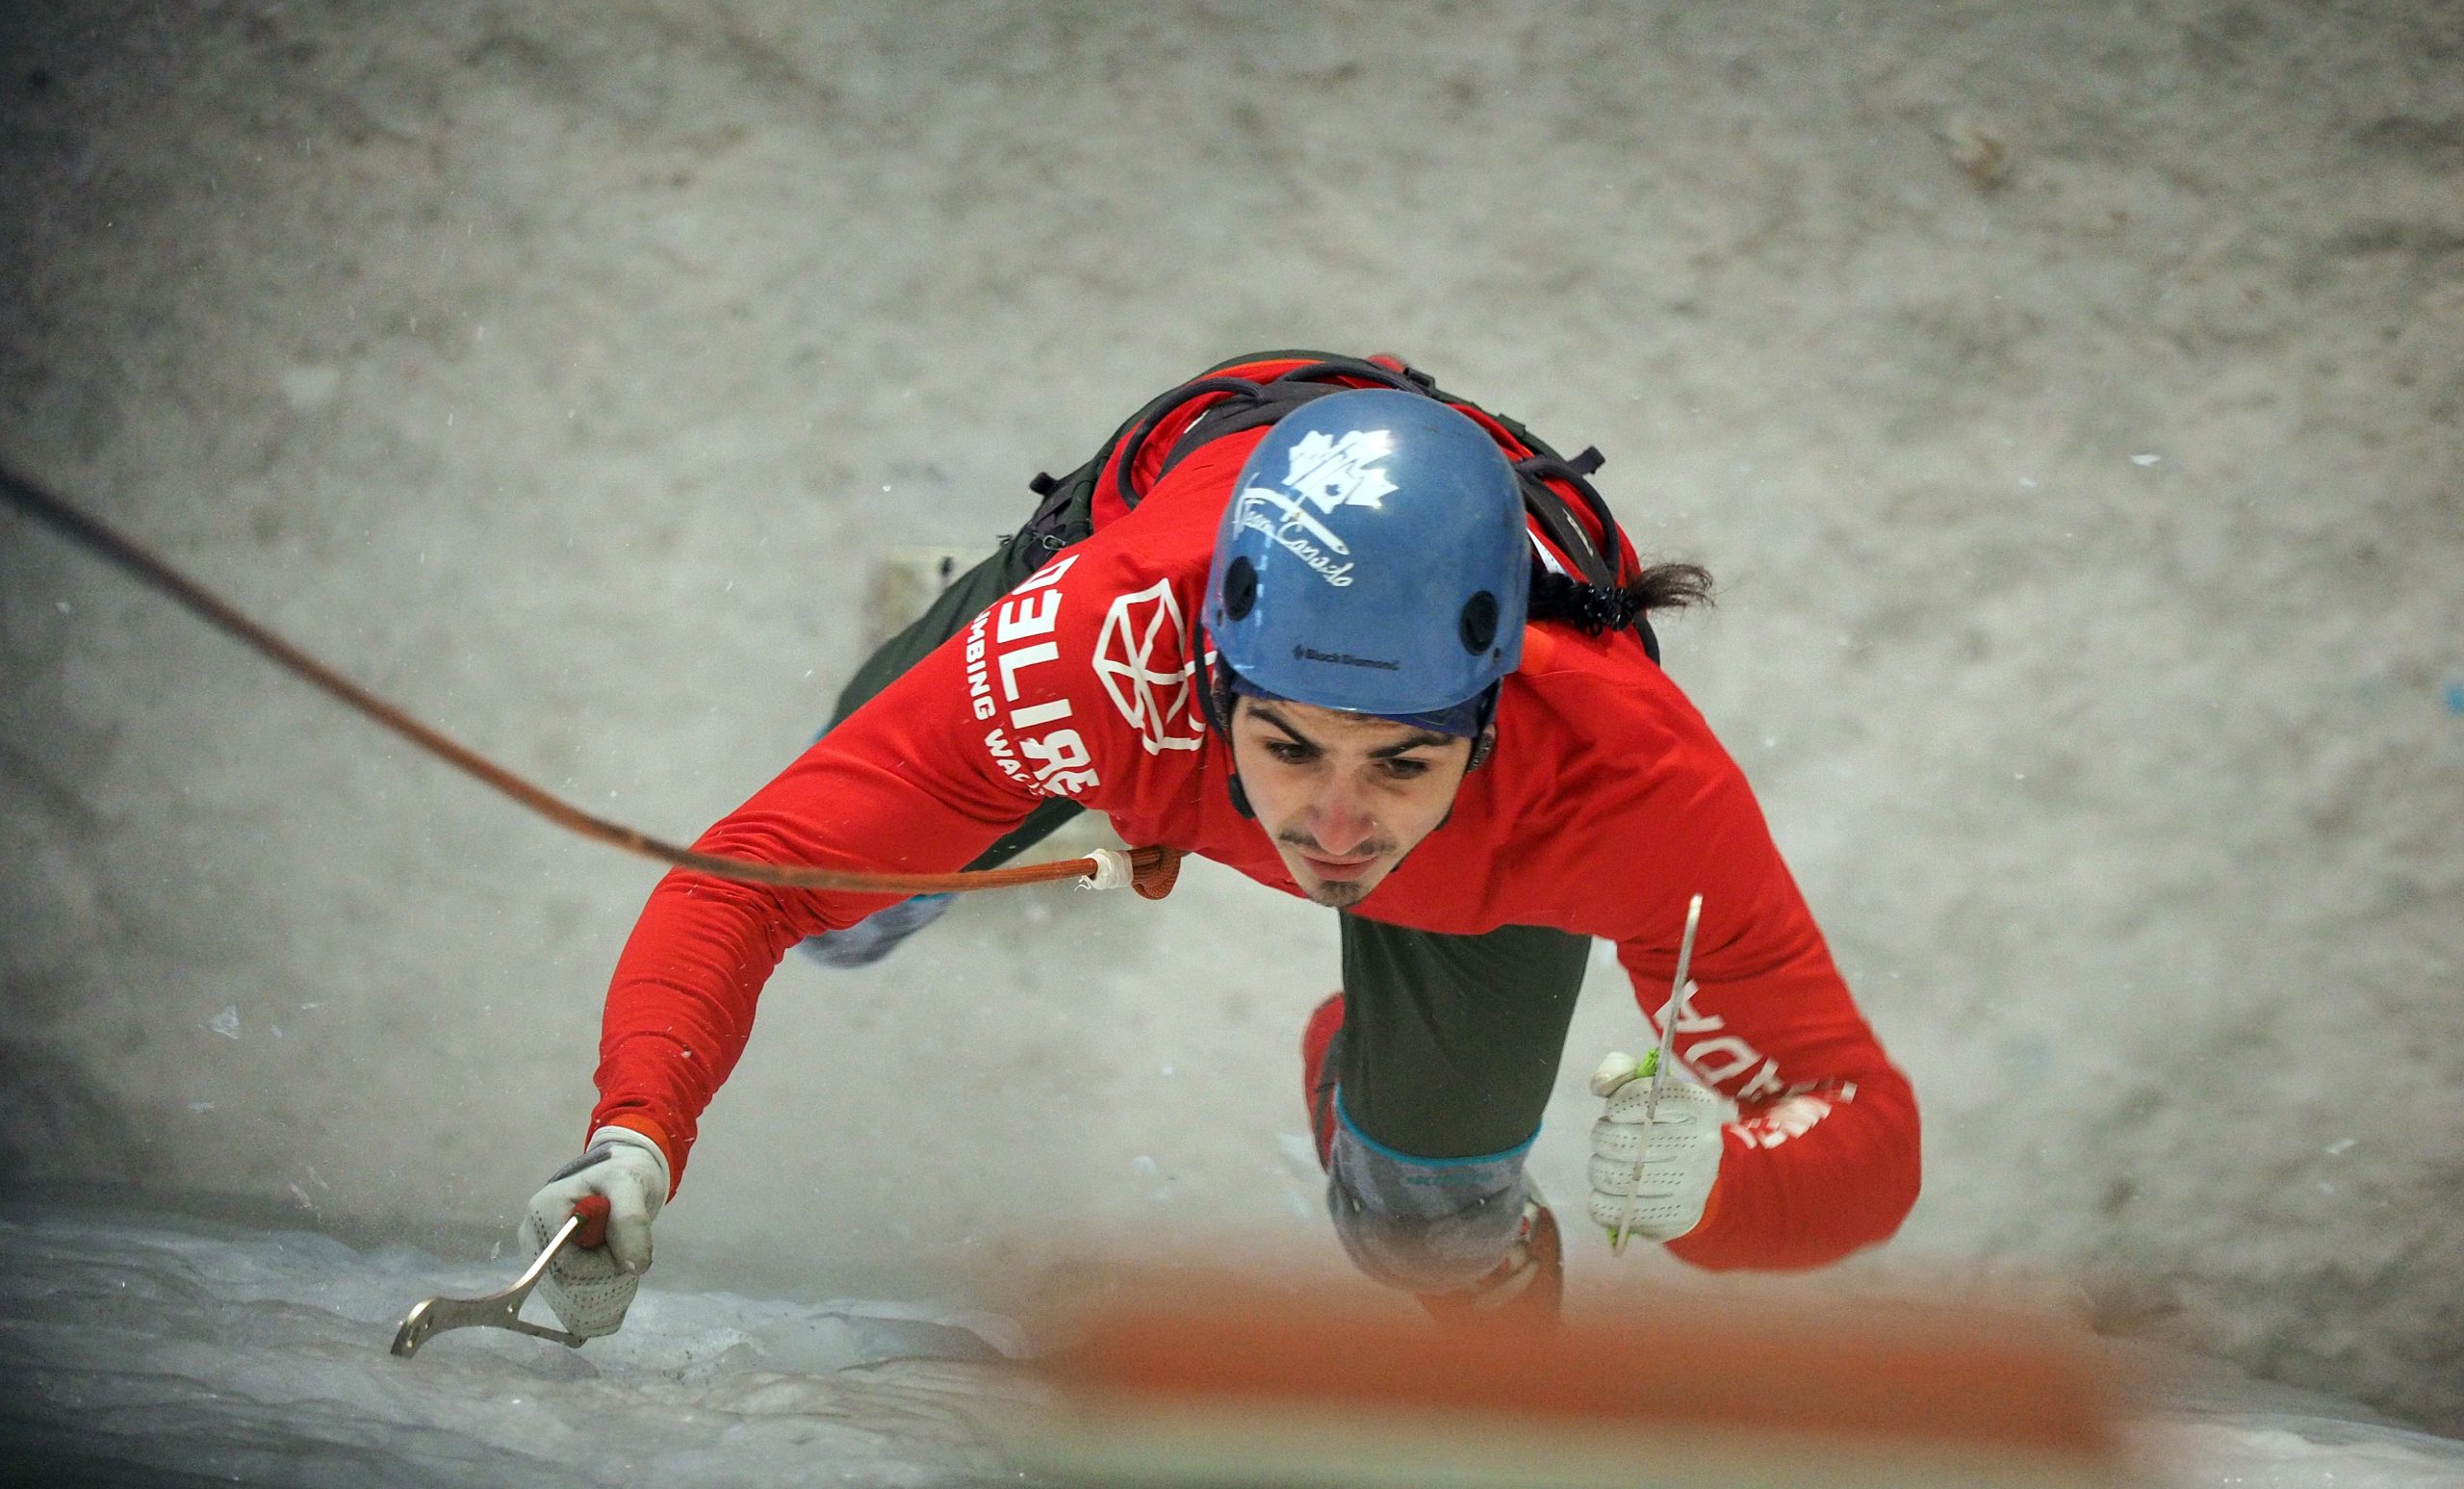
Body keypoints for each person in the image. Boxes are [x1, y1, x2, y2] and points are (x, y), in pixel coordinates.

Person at [521, 352, 1920, 1334]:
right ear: (1213, 688)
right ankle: (970, 752)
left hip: (1422, 814)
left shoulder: (1623, 777)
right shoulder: (1092, 651)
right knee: (839, 906)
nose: (1336, 824)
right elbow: (743, 883)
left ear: (1495, 723)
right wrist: (637, 1132)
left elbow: (1871, 1145)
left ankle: (1358, 1070)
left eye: (1404, 763)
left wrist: (1707, 1196)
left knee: (1429, 1236)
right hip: (1135, 567)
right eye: (1292, 746)